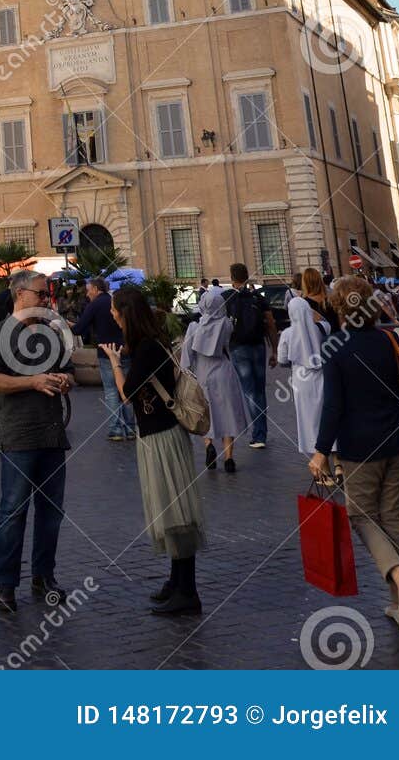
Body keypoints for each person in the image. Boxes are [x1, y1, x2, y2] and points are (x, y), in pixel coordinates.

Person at [310, 276, 399, 630]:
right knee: (393, 516)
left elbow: (333, 406)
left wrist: (321, 451)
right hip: (397, 442)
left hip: (361, 448)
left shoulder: (335, 348)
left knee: (362, 516)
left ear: (338, 308)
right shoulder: (387, 339)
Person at [102, 285, 205, 616]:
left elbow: (128, 394)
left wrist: (115, 363)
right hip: (158, 435)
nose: (113, 317)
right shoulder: (152, 342)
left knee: (176, 515)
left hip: (162, 437)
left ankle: (187, 591)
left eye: (116, 312)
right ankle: (176, 582)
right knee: (170, 512)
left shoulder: (147, 348)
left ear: (127, 313)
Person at [0, 268, 73, 614]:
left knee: (51, 512)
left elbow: (71, 373)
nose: (46, 300)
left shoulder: (51, 333)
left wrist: (63, 380)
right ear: (20, 294)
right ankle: (6, 585)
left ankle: (43, 575)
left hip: (52, 434)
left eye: (47, 295)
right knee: (13, 511)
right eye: (41, 294)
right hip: (18, 435)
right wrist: (32, 382)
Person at [180, 287, 248, 473]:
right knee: (227, 412)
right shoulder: (226, 324)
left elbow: (187, 356)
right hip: (224, 371)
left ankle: (209, 445)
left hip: (203, 373)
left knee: (206, 414)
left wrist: (186, 371)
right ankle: (229, 457)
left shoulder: (194, 327)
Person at [72, 276, 134, 441]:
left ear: (95, 289)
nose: (87, 294)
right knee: (126, 389)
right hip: (125, 350)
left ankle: (116, 430)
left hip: (106, 353)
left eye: (88, 290)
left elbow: (79, 329)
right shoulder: (116, 301)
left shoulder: (94, 305)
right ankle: (130, 428)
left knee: (111, 391)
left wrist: (69, 325)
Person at [223, 262, 277, 448]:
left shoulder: (227, 298)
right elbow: (270, 324)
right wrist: (275, 350)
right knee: (259, 390)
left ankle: (258, 435)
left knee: (249, 391)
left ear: (232, 278)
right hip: (258, 346)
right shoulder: (258, 298)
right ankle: (261, 432)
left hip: (238, 347)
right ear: (246, 276)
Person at [278, 289, 333, 466]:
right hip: (323, 377)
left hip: (301, 380)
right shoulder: (323, 328)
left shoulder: (287, 334)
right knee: (328, 417)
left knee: (310, 422)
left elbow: (282, 359)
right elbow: (324, 321)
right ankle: (338, 465)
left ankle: (323, 470)